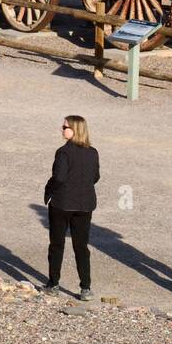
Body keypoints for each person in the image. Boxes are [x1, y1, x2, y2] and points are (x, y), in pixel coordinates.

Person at [43, 115, 100, 301]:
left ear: (75, 129)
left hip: (62, 203)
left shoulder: (63, 152)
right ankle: (86, 288)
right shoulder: (92, 152)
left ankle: (53, 284)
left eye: (65, 127)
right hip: (85, 205)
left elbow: (59, 177)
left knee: (57, 244)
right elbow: (95, 177)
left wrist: (48, 190)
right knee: (81, 246)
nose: (62, 129)